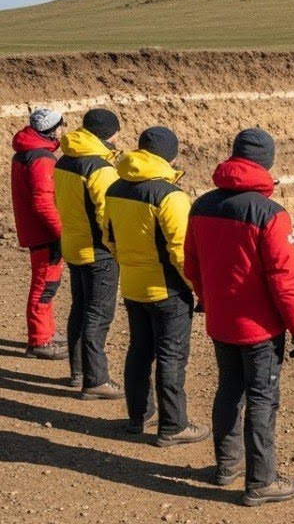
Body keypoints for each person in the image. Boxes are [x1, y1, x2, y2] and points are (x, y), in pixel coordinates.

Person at [185, 128, 294, 507]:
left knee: (228, 391)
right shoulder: (270, 214)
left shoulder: (201, 205)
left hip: (221, 323)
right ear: (267, 164)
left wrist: (207, 299)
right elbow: (283, 279)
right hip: (259, 329)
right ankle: (261, 482)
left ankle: (226, 467)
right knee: (262, 399)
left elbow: (192, 264)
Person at [103, 127, 210, 445]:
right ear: (169, 155)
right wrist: (200, 289)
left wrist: (129, 264)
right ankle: (173, 426)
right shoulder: (170, 196)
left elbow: (108, 237)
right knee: (171, 356)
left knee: (139, 350)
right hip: (167, 289)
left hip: (132, 285)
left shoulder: (114, 188)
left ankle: (138, 417)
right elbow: (181, 252)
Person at [53, 108, 124, 398]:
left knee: (80, 309)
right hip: (98, 251)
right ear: (107, 133)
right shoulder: (99, 169)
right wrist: (118, 249)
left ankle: (78, 372)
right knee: (98, 314)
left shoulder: (64, 161)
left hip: (72, 245)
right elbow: (107, 216)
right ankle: (96, 381)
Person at [11, 108, 68, 360]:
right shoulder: (43, 158)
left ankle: (46, 334)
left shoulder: (24, 153)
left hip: (35, 231)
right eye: (62, 125)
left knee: (46, 285)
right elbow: (43, 203)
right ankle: (40, 341)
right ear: (53, 129)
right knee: (45, 286)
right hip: (46, 234)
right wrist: (62, 234)